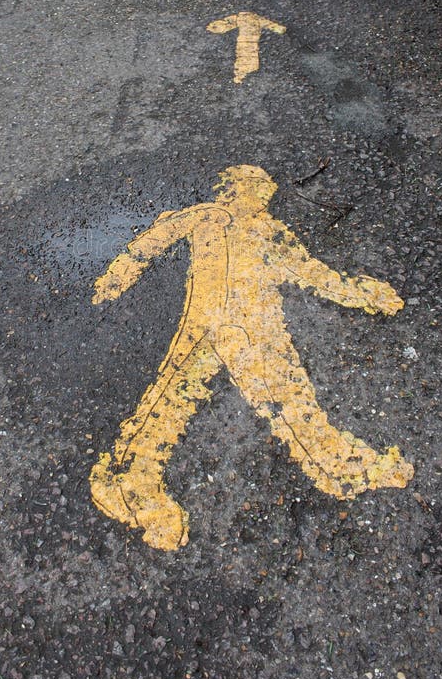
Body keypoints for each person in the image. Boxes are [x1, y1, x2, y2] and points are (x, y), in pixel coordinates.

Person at [90, 165, 413, 550]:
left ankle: (128, 481)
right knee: (256, 399)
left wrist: (362, 293)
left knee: (185, 401)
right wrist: (117, 277)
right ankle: (341, 466)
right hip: (232, 327)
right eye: (251, 187)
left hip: (238, 324)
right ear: (231, 188)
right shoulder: (210, 214)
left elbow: (314, 273)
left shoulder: (269, 230)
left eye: (263, 189)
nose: (259, 195)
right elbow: (154, 239)